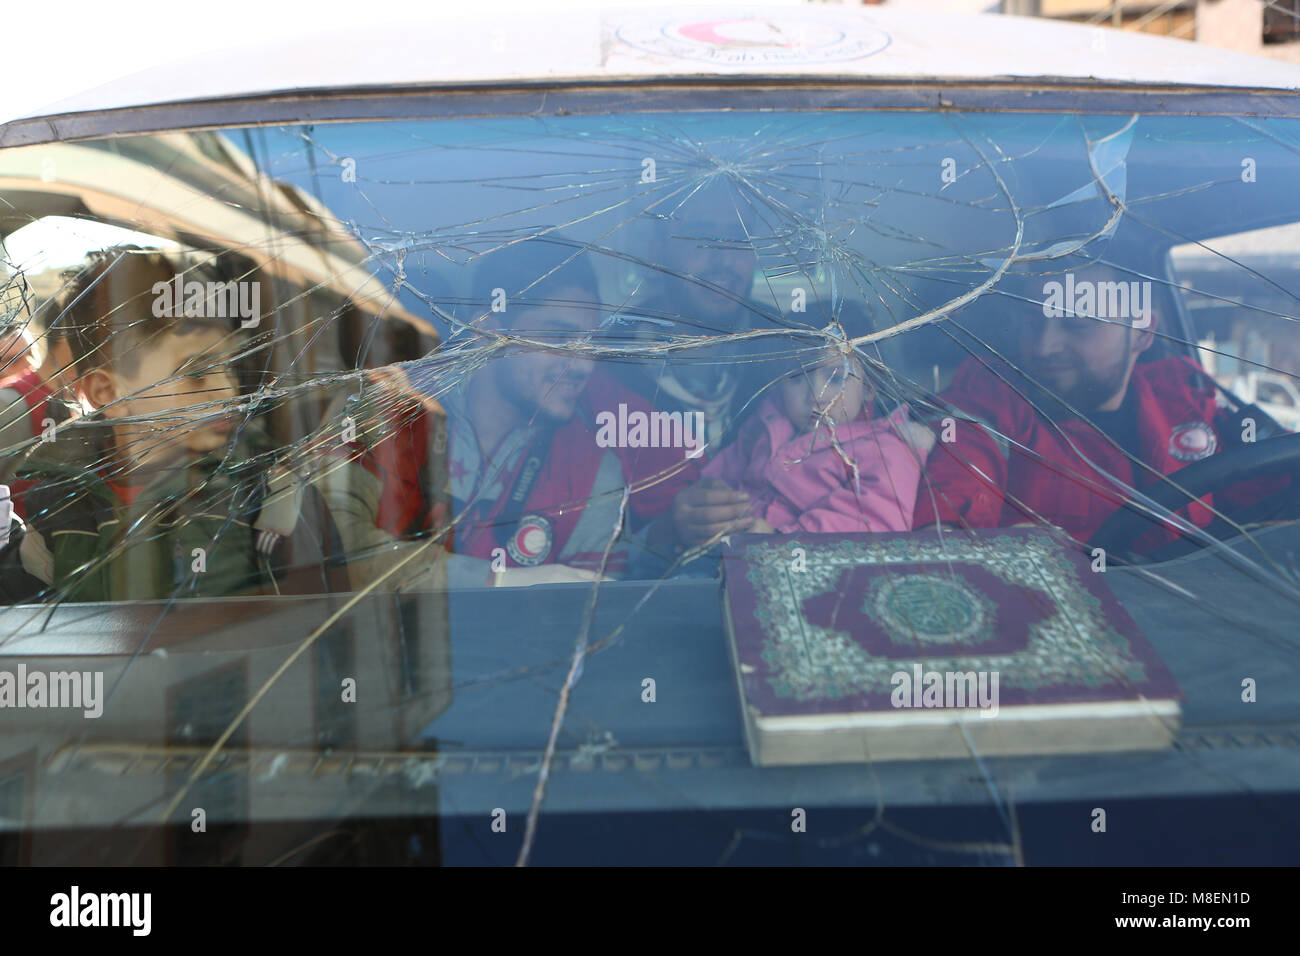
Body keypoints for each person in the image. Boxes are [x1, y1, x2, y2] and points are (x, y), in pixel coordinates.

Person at [336, 237, 701, 587]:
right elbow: (334, 549)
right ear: (487, 334)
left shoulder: (593, 473)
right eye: (559, 339)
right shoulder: (390, 411)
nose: (584, 366)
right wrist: (498, 583)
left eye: (591, 344)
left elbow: (585, 616)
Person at [0, 247, 346, 603]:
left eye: (229, 366)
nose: (227, 390)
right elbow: (21, 605)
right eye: (196, 373)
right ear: (107, 392)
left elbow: (322, 620)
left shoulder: (268, 494)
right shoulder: (61, 505)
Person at [912, 262, 1283, 549]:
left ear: (1141, 332)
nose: (1044, 347)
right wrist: (956, 540)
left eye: (1077, 326)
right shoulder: (986, 406)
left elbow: (1267, 485)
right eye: (1033, 322)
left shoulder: (1185, 396)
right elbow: (947, 534)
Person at [699, 337, 933, 534]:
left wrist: (778, 539)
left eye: (835, 378)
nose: (815, 396)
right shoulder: (768, 424)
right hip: (723, 548)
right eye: (797, 379)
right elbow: (720, 476)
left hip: (801, 568)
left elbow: (870, 523)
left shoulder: (887, 449)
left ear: (868, 387)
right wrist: (711, 502)